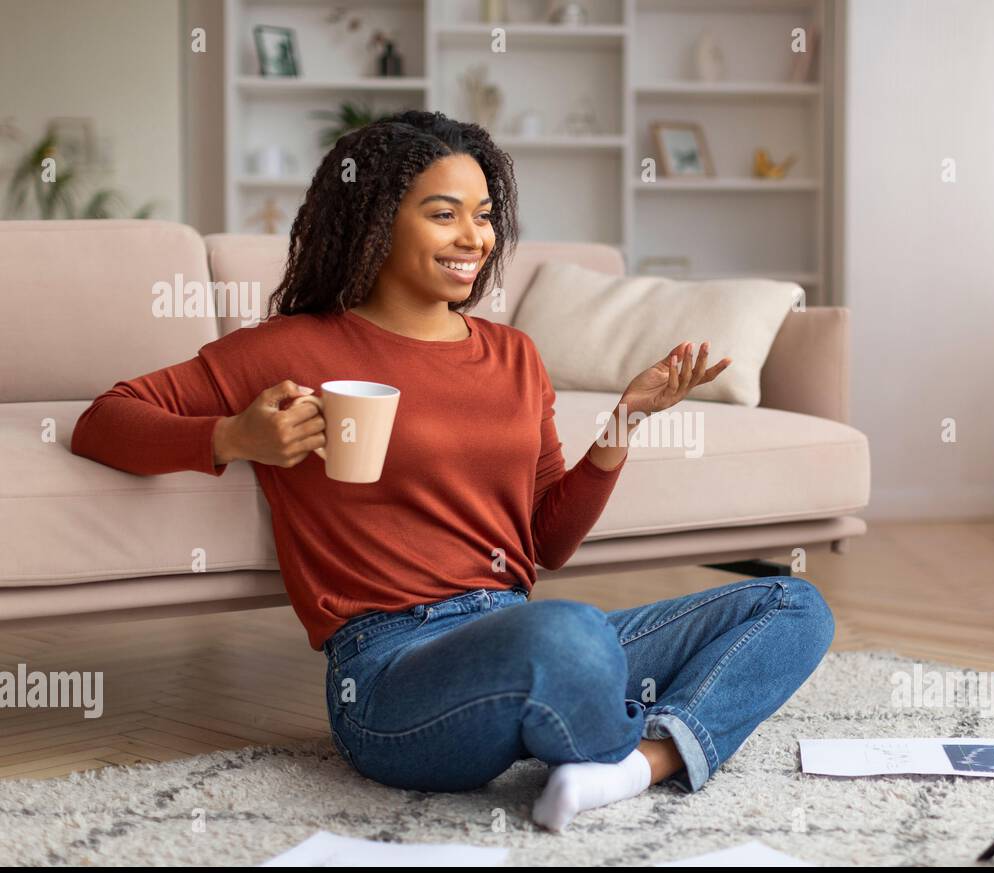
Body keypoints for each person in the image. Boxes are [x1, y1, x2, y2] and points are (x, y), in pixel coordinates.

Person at [70, 110, 836, 832]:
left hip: (516, 626)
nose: (474, 236)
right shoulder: (285, 348)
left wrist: (623, 423)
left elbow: (546, 544)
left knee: (793, 604)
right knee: (571, 637)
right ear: (375, 224)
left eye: (484, 214)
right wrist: (235, 438)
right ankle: (605, 728)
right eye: (444, 214)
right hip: (389, 675)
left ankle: (636, 764)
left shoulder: (513, 355)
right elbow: (105, 420)